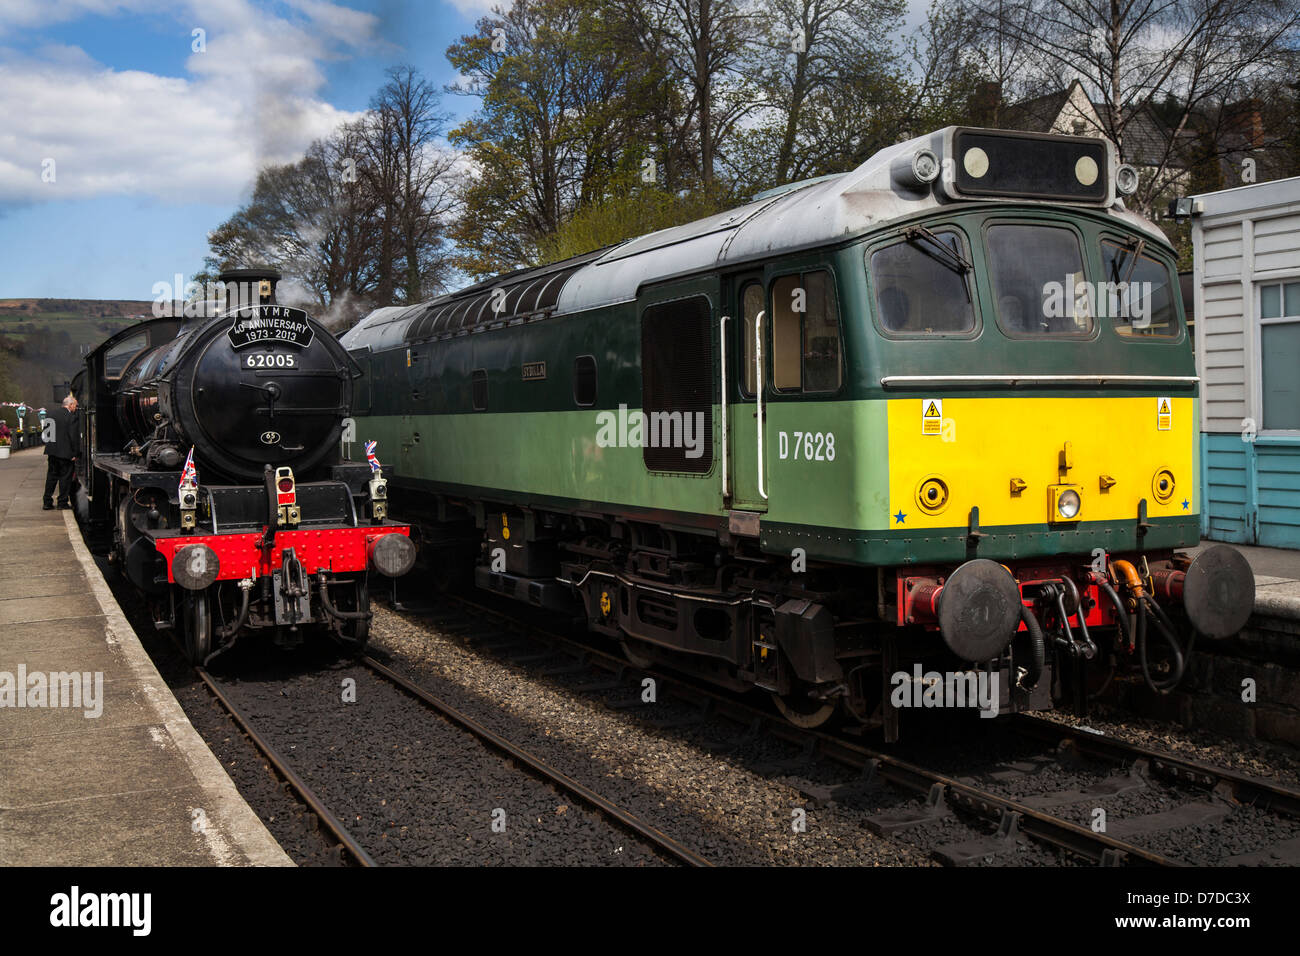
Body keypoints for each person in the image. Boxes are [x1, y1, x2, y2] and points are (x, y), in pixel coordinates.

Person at [42, 394, 80, 510]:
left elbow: (46, 435)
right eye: (76, 406)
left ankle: (47, 502)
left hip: (52, 452)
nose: (76, 408)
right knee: (65, 478)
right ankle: (62, 502)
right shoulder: (71, 417)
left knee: (51, 477)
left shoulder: (50, 414)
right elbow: (73, 436)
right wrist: (75, 453)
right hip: (66, 454)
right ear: (70, 405)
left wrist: (51, 447)